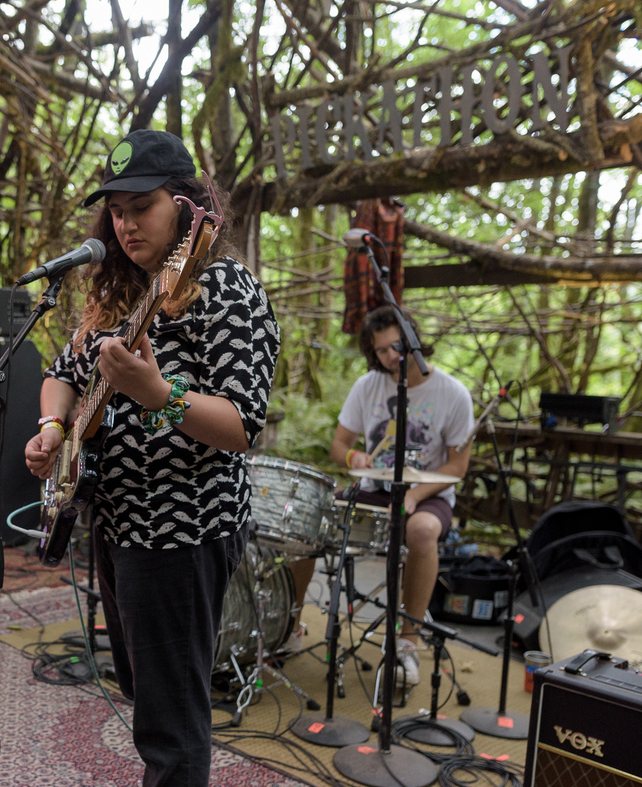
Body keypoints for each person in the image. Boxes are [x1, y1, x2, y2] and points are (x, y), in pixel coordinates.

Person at [24, 129, 280, 787]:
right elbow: (63, 369)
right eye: (116, 209)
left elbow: (241, 424)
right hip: (116, 522)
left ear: (186, 204)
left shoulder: (224, 288)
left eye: (142, 205)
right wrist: (56, 425)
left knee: (172, 722)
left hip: (182, 531)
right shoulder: (118, 289)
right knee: (144, 690)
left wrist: (156, 394)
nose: (126, 222)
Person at [328, 306, 474, 688]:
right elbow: (339, 445)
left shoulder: (453, 393)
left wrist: (415, 496)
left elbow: (457, 468)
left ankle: (408, 643)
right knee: (316, 512)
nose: (392, 355)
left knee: (422, 531)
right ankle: (290, 626)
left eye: (397, 345)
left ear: (412, 338)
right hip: (376, 489)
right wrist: (352, 456)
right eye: (381, 350)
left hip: (428, 495)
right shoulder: (367, 386)